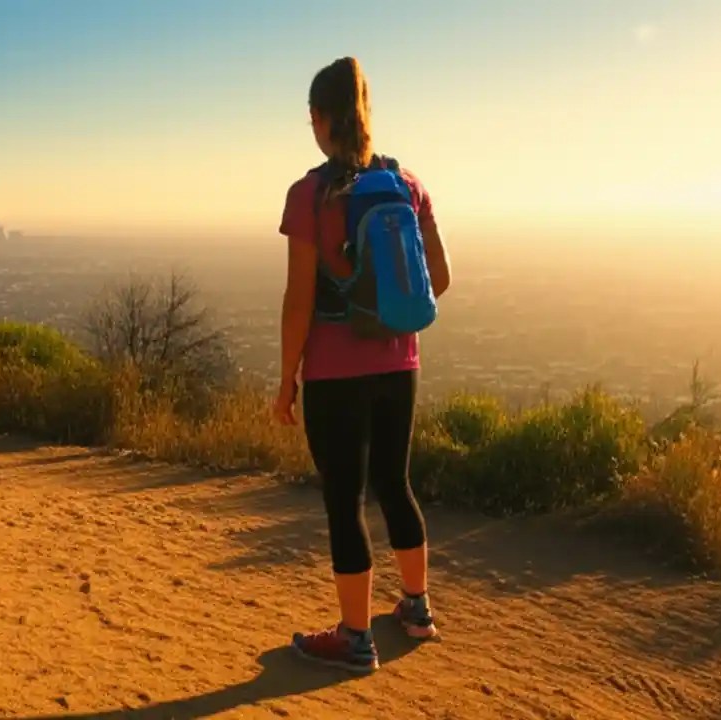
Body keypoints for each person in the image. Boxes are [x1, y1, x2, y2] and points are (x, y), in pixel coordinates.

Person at [273, 55, 452, 673]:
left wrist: (285, 380)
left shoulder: (309, 196)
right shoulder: (407, 185)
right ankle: (417, 607)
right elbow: (442, 280)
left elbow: (299, 301)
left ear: (319, 119)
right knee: (395, 484)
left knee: (345, 499)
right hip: (400, 362)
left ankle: (354, 638)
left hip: (333, 371)